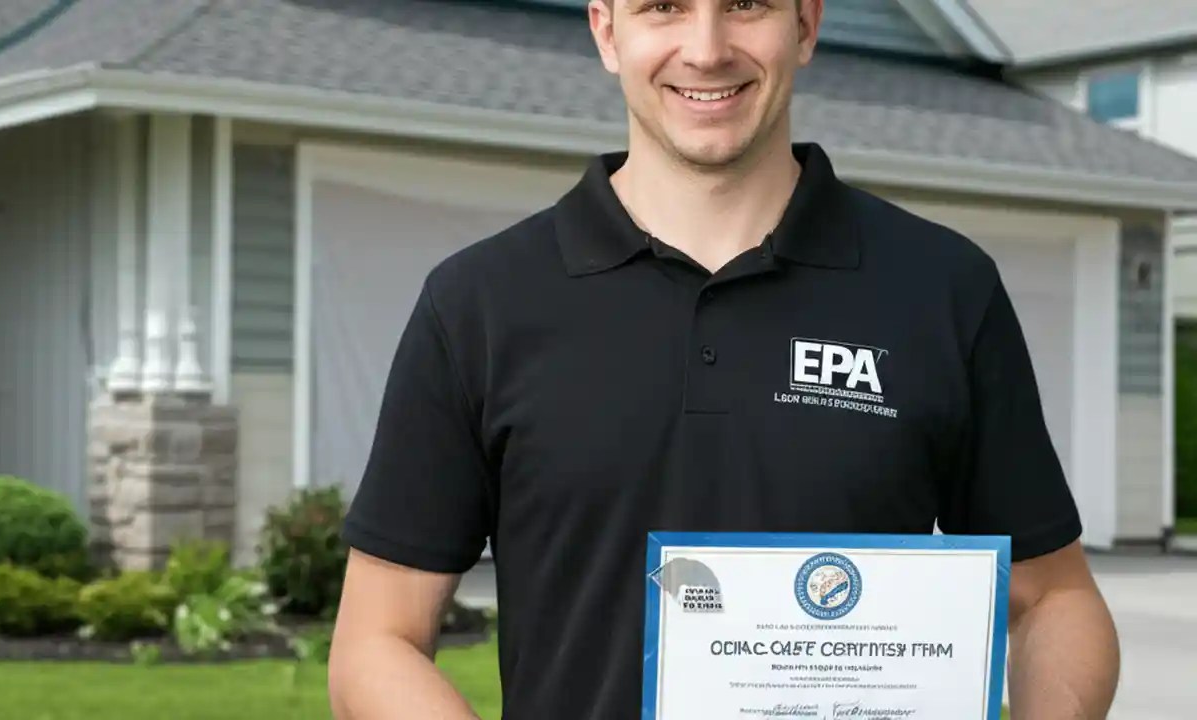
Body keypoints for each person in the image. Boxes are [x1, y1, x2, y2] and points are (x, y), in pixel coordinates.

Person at [327, 0, 1121, 718]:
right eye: (664, 7)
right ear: (608, 30)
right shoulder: (481, 304)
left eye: (745, 5)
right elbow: (377, 637)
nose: (706, 49)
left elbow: (1054, 598)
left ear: (806, 23)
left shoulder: (943, 289)